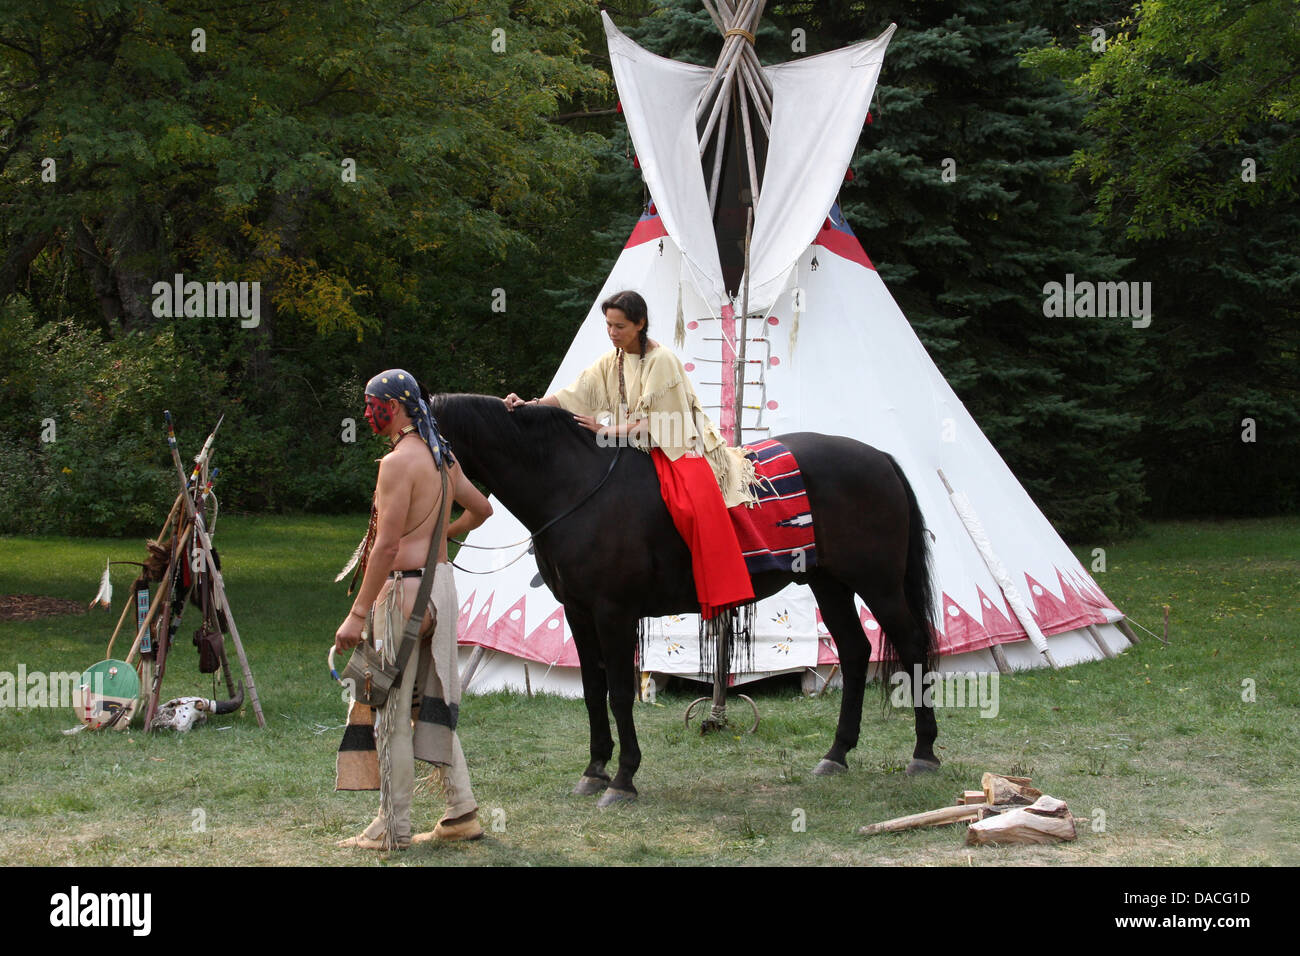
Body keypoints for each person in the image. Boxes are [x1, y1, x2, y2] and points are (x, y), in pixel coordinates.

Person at [504, 290, 754, 619]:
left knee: (692, 507)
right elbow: (576, 393)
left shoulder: (661, 360)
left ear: (640, 324)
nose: (612, 333)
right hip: (632, 441)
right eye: (608, 325)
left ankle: (706, 581)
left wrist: (607, 431)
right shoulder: (614, 360)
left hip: (678, 445)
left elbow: (666, 423)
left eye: (619, 326)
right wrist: (531, 405)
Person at [334, 368, 493, 850]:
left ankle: (393, 829)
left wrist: (357, 614)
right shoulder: (442, 457)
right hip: (441, 588)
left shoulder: (396, 464)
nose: (366, 412)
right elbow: (482, 509)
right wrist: (439, 537)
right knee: (431, 704)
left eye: (372, 403)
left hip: (404, 594)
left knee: (391, 710)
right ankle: (462, 812)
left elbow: (384, 549)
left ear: (397, 405)